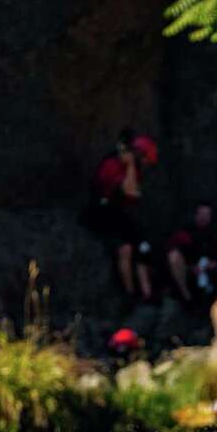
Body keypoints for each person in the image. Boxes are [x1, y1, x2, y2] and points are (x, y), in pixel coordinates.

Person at [82, 129, 160, 302]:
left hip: (118, 214)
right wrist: (131, 164)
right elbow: (129, 191)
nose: (146, 165)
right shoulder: (112, 165)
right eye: (145, 160)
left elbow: (134, 195)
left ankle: (148, 294)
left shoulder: (134, 171)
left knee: (143, 247)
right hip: (101, 214)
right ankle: (130, 295)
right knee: (125, 249)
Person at [166, 202, 217, 305]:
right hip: (191, 275)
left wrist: (214, 264)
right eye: (200, 214)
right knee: (173, 257)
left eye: (206, 215)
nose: (203, 218)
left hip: (213, 273)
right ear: (195, 215)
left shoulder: (216, 235)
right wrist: (191, 267)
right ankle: (187, 299)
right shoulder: (184, 234)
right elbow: (173, 253)